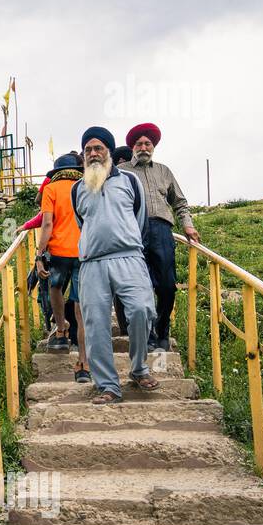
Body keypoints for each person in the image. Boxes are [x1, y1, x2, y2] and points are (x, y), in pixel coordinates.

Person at [72, 126, 159, 405]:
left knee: (142, 311)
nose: (93, 154)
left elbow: (140, 218)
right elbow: (81, 224)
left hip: (130, 257)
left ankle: (139, 368)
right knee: (96, 323)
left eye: (98, 148)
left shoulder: (130, 181)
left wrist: (127, 242)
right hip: (93, 263)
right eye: (88, 150)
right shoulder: (77, 189)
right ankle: (108, 385)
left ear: (109, 151)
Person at [124, 122, 199, 351]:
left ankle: (162, 329)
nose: (144, 147)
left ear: (153, 146)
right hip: (133, 231)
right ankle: (145, 335)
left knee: (167, 285)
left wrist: (187, 225)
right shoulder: (123, 171)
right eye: (139, 144)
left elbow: (180, 202)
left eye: (148, 143)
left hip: (162, 230)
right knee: (140, 286)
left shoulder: (164, 171)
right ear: (133, 147)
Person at [35, 152, 90, 382]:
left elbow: (47, 223)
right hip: (84, 251)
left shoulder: (51, 189)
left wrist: (39, 254)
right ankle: (83, 365)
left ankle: (60, 330)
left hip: (58, 252)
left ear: (55, 172)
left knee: (55, 288)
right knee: (80, 307)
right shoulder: (86, 186)